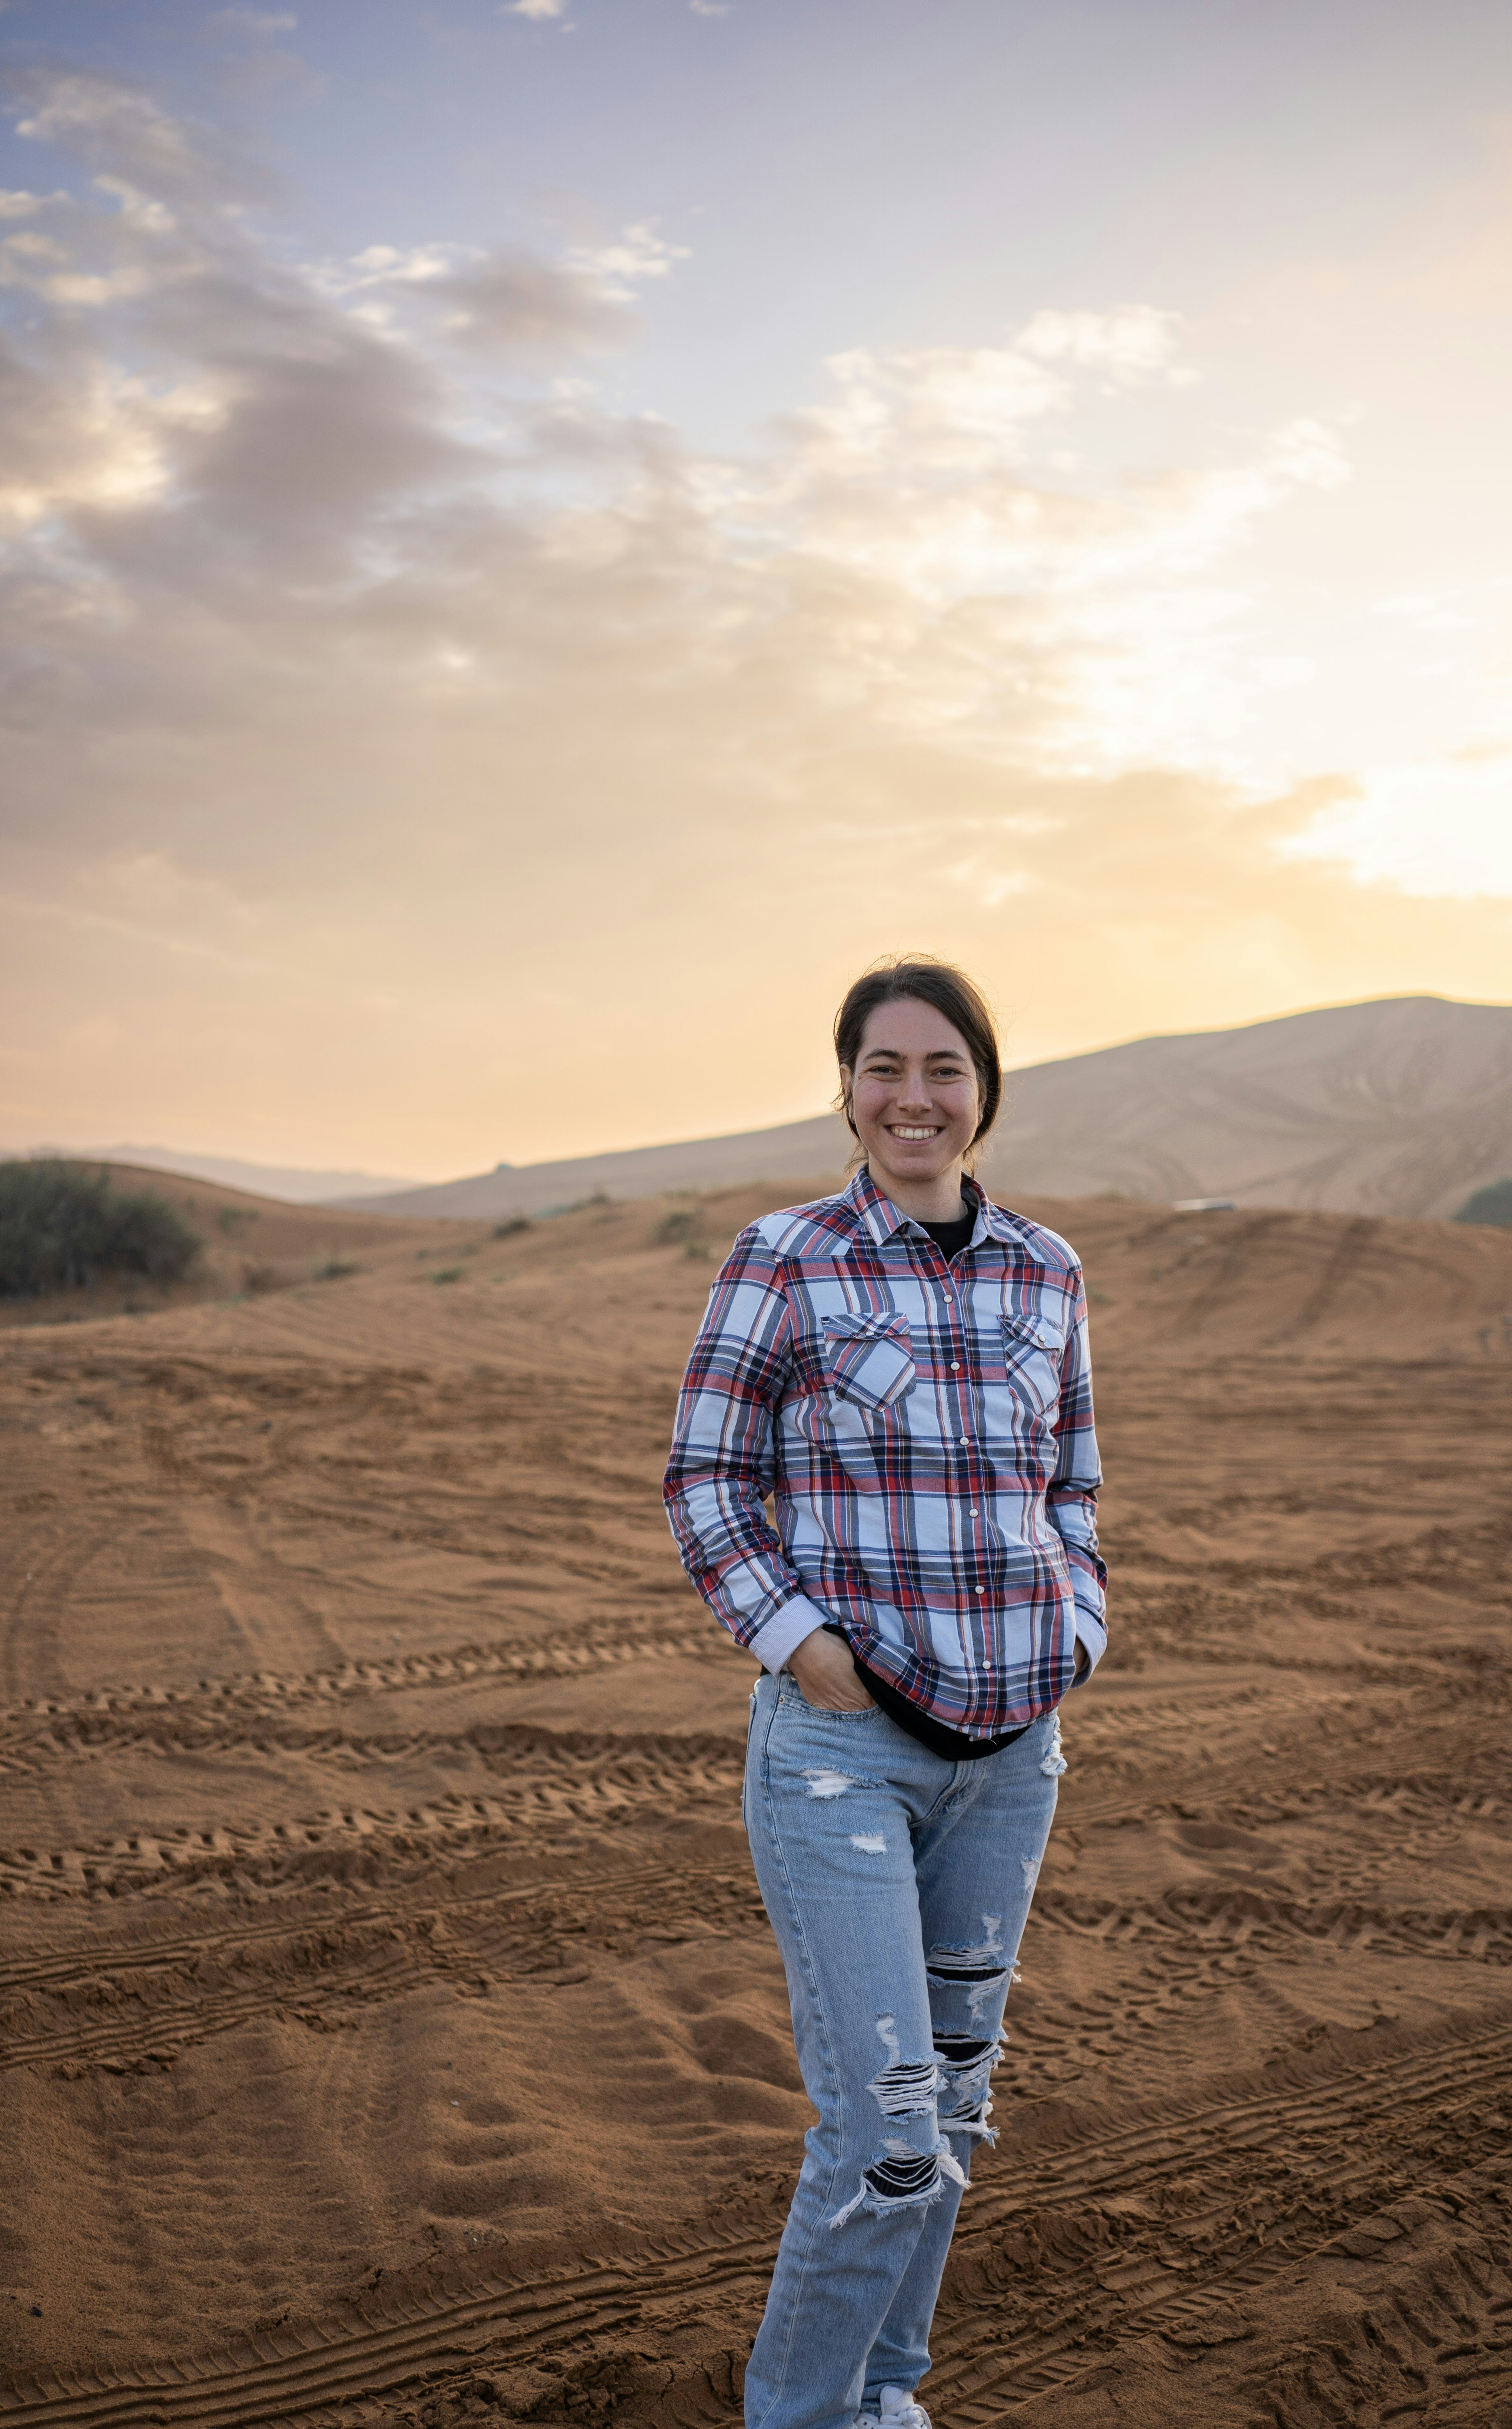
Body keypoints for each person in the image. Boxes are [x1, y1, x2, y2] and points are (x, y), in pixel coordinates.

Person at [663, 956, 1106, 2429]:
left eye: (945, 1071)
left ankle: (884, 2398)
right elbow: (708, 1485)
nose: (913, 1098)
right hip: (845, 1760)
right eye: (884, 1069)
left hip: (1012, 1759)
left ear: (984, 1095)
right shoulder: (783, 1258)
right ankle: (801, 2416)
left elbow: (1073, 1484)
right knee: (889, 2133)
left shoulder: (1047, 1271)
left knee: (961, 2108)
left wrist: (1079, 1624)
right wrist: (801, 1645)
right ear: (844, 1088)